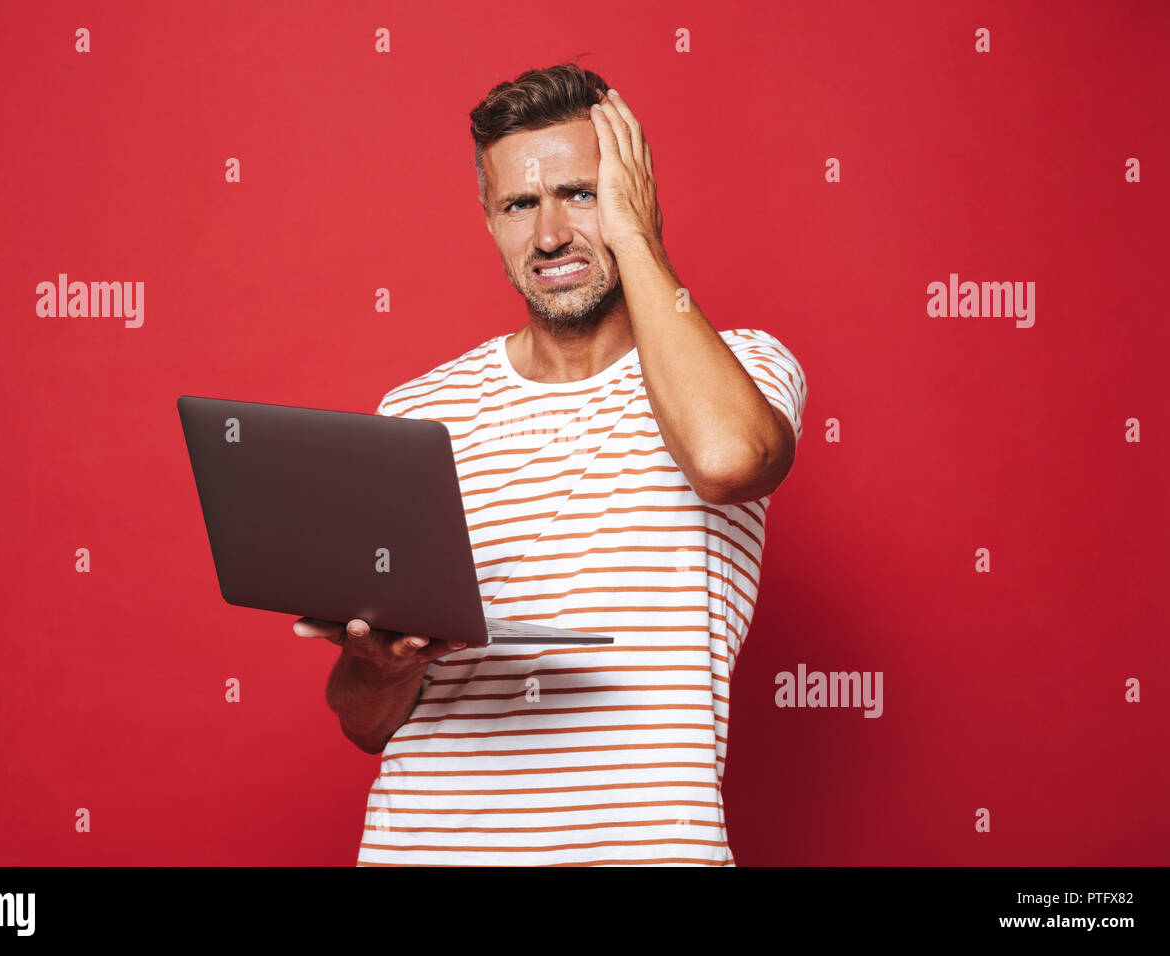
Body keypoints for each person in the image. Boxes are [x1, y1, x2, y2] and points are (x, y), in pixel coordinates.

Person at [294, 62, 807, 866]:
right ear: (489, 219)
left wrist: (636, 236)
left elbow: (725, 459)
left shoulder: (746, 368)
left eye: (580, 193)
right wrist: (379, 666)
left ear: (634, 192)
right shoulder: (418, 414)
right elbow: (363, 724)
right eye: (520, 204)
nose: (550, 236)